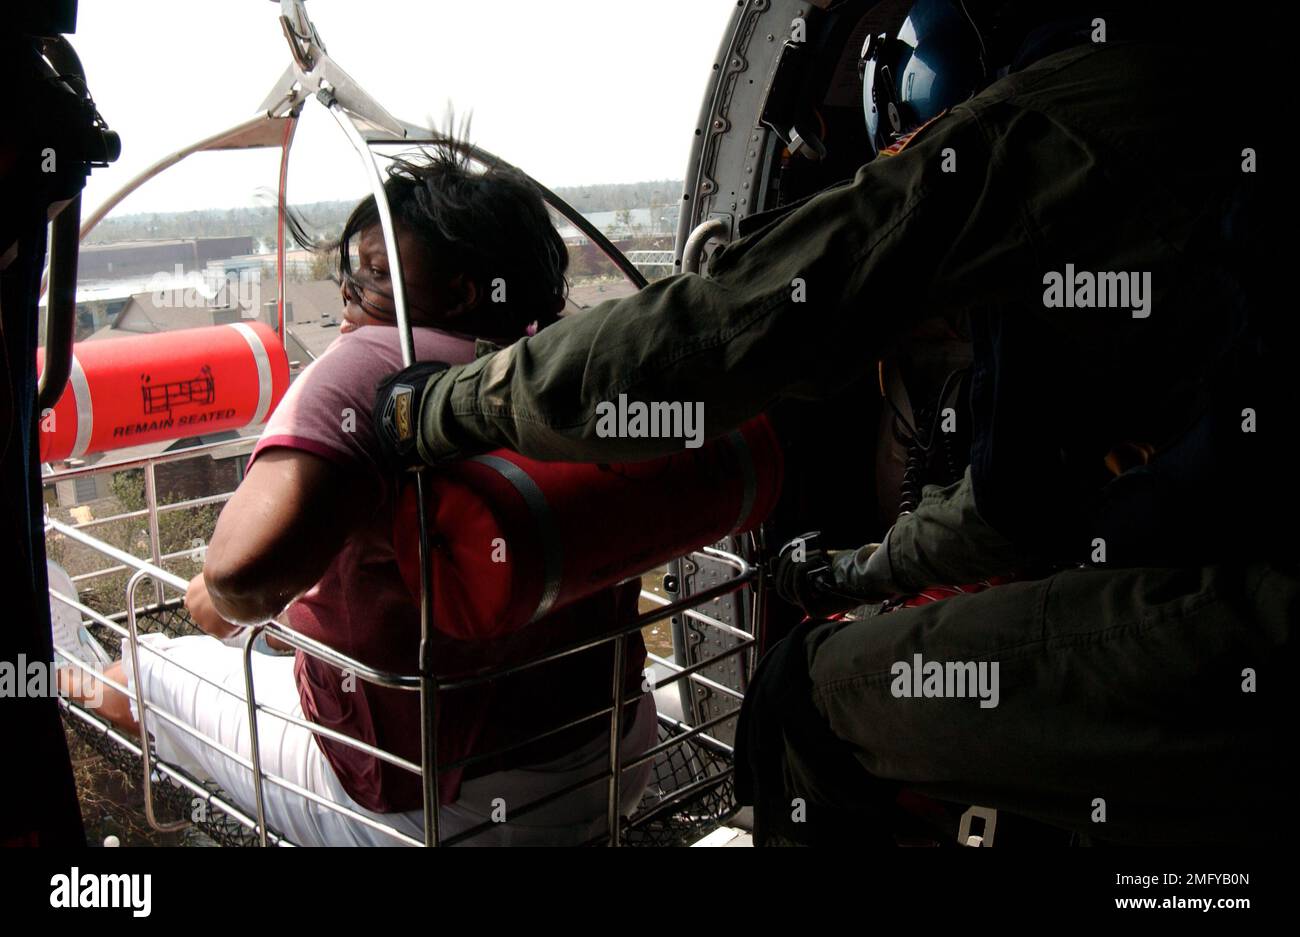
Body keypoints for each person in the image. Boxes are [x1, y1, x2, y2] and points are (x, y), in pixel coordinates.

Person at [372, 2, 1292, 845]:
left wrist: (436, 408)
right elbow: (1019, 496)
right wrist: (854, 568)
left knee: (799, 697)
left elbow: (722, 328)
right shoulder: (1186, 91)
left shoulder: (1063, 115)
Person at [63, 144, 657, 846]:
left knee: (153, 667)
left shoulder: (378, 360)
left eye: (376, 276)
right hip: (608, 752)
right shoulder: (572, 353)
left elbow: (239, 574)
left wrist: (217, 602)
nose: (349, 297)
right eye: (350, 275)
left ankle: (64, 677)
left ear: (461, 292)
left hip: (431, 808)